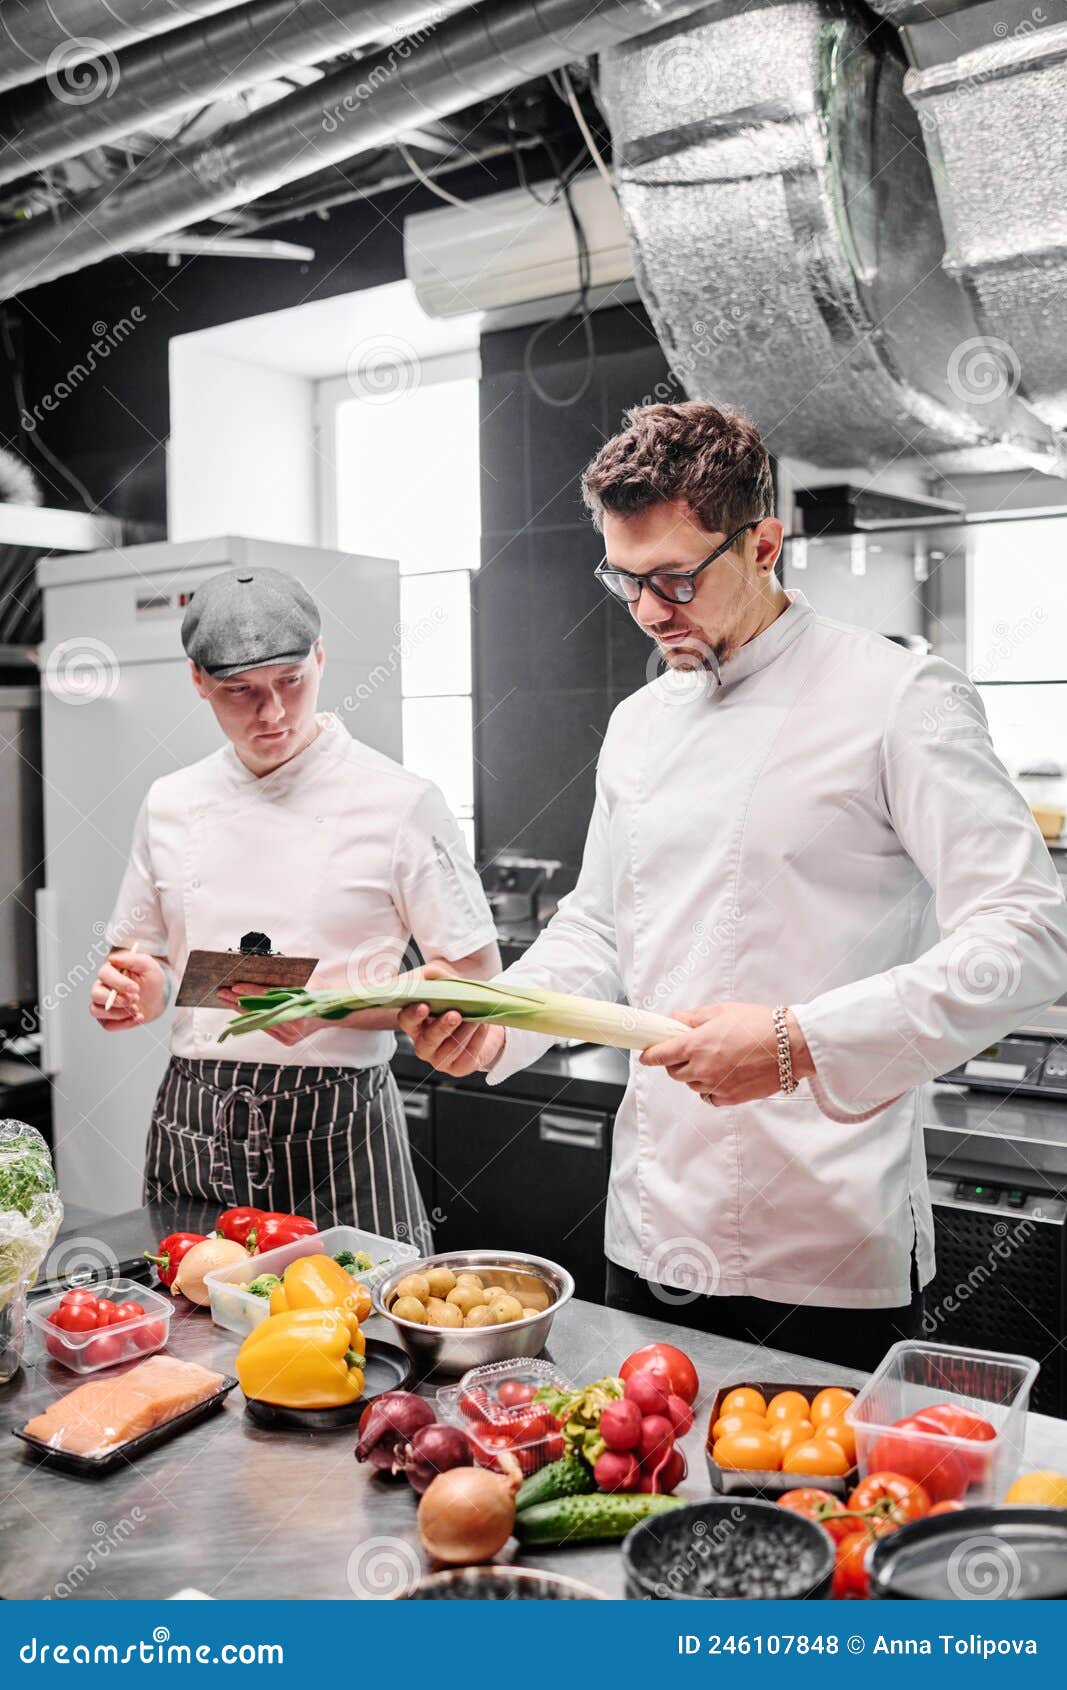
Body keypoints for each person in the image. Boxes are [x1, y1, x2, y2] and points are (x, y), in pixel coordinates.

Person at [400, 402, 1067, 1369]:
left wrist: (799, 1044)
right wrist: (496, 1020)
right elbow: (597, 925)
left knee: (816, 1511)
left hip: (826, 1241)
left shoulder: (897, 698)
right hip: (653, 1220)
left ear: (763, 543)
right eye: (623, 580)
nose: (647, 610)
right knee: (644, 1502)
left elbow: (1026, 935)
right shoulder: (639, 721)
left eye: (674, 578)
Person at [90, 565, 499, 1243]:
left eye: (290, 682)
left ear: (320, 656)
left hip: (338, 1127)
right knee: (192, 1330)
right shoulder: (170, 801)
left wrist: (322, 1009)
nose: (271, 713)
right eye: (239, 692)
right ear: (197, 681)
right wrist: (137, 991)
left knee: (369, 1335)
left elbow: (477, 983)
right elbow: (143, 960)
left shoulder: (401, 801)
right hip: (195, 1115)